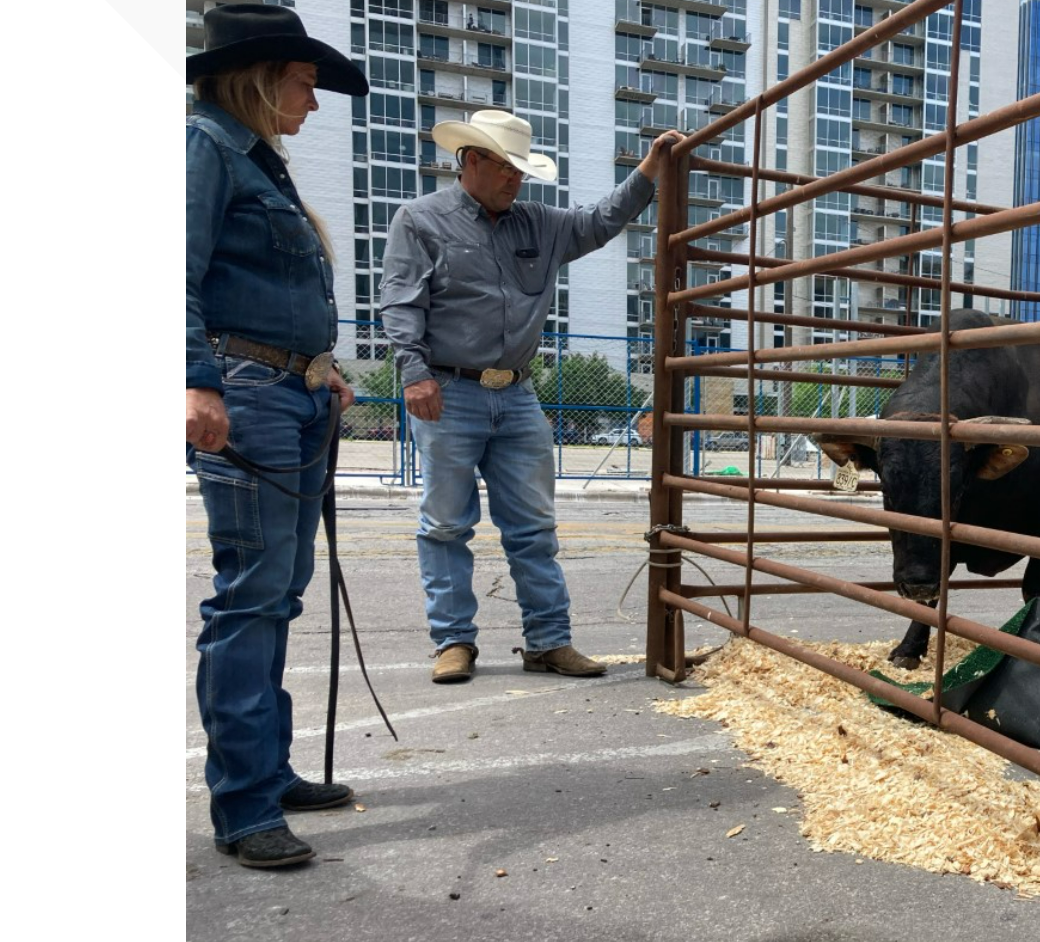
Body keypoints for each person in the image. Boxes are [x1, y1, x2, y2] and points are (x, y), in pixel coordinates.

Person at [380, 111, 683, 684]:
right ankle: (453, 641)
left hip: (516, 394)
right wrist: (412, 371)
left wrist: (648, 170)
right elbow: (401, 301)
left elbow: (601, 220)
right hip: (447, 389)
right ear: (470, 161)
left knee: (534, 527)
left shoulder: (539, 224)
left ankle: (548, 640)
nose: (515, 180)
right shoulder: (420, 220)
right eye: (503, 167)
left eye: (519, 169)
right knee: (445, 523)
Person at [186, 5, 365, 869]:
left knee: (276, 592)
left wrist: (319, 369)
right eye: (305, 82)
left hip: (289, 389)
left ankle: (267, 770)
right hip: (247, 389)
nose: (314, 101)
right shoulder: (206, 149)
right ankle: (246, 804)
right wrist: (193, 380)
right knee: (253, 596)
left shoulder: (252, 162)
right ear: (259, 76)